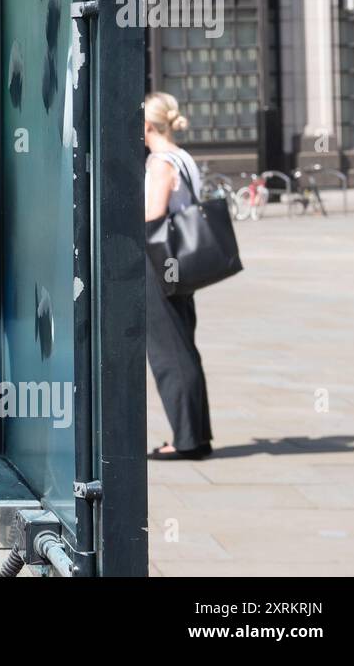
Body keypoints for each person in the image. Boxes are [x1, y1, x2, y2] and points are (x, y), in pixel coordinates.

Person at [143, 91, 213, 461]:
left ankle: (185, 441)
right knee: (184, 347)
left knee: (168, 353)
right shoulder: (182, 157)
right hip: (182, 264)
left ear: (147, 125)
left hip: (159, 263)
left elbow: (154, 215)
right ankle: (197, 436)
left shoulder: (160, 162)